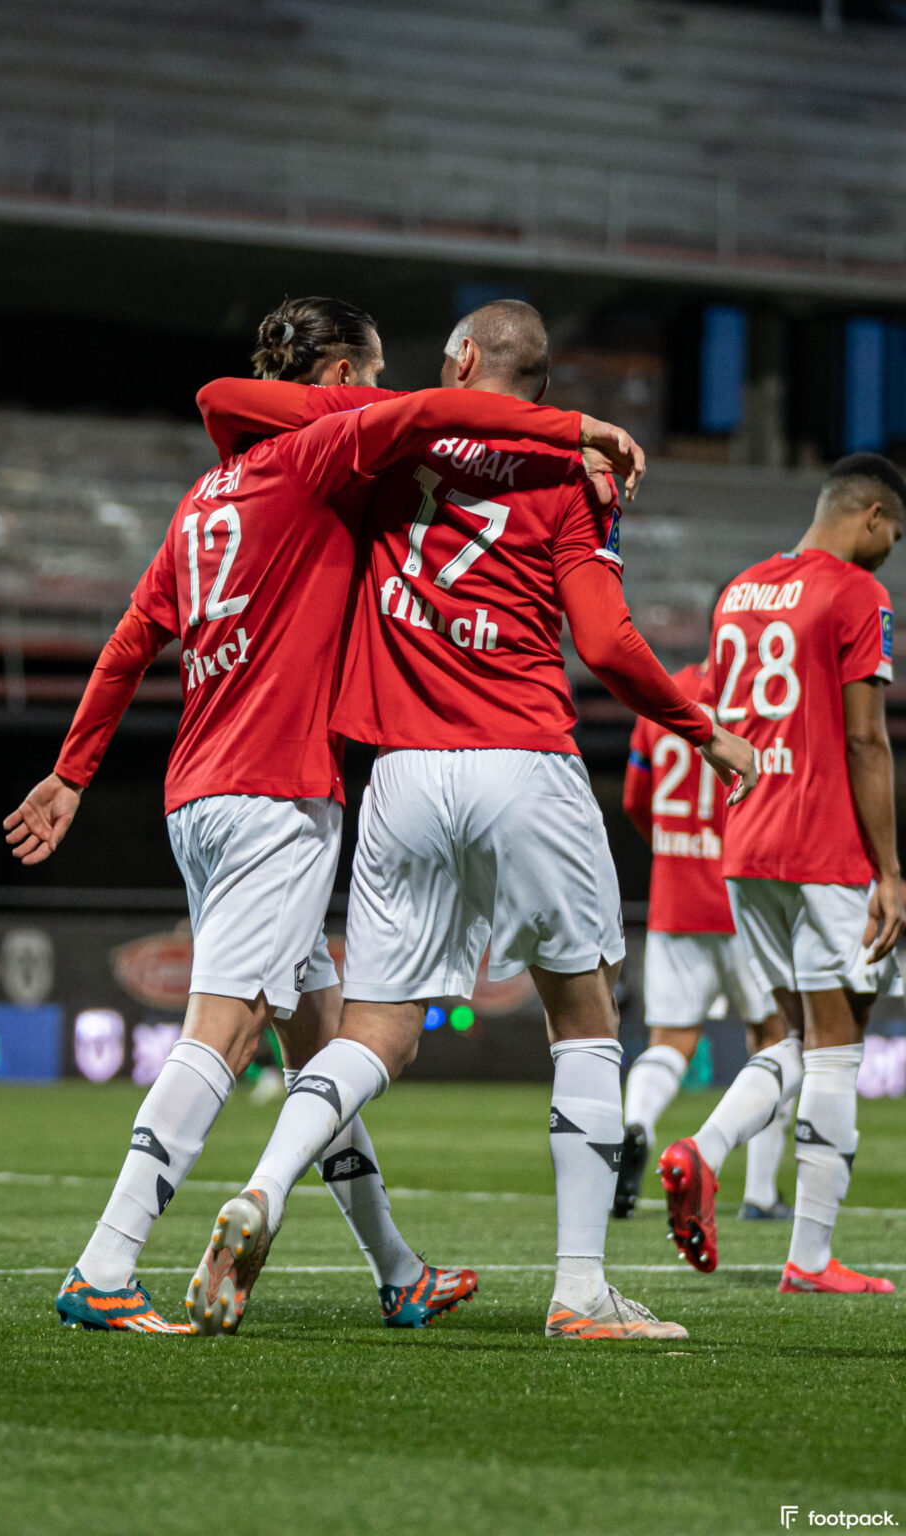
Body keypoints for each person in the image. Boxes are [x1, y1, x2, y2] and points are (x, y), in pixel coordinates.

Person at [5, 296, 645, 1335]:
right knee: (220, 1035)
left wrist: (74, 773)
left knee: (316, 1044)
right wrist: (575, 428)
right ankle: (105, 1264)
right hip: (274, 793)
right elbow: (449, 410)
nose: (385, 390)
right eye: (374, 373)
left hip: (193, 793)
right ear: (341, 378)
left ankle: (397, 1269)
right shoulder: (323, 458)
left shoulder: (202, 496)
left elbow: (131, 637)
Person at [186, 299, 757, 1342]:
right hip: (522, 760)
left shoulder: (391, 443)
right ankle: (580, 1292)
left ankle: (262, 1188)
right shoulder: (570, 477)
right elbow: (609, 642)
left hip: (401, 773)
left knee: (377, 1029)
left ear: (456, 360)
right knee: (584, 1015)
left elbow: (229, 402)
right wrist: (701, 728)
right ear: (539, 381)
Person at [658, 453, 905, 1294]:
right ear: (870, 514)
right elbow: (867, 739)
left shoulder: (740, 589)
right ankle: (806, 1257)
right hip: (824, 843)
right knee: (838, 1045)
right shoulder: (856, 594)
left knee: (799, 1037)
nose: (892, 552)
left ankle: (706, 1150)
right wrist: (892, 871)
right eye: (894, 535)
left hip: (746, 839)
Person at [614, 655, 792, 1221]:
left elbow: (634, 802)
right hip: (744, 896)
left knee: (669, 1040)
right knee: (774, 1035)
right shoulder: (758, 700)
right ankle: (761, 1194)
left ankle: (636, 1124)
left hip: (674, 897)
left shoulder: (664, 696)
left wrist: (671, 850)